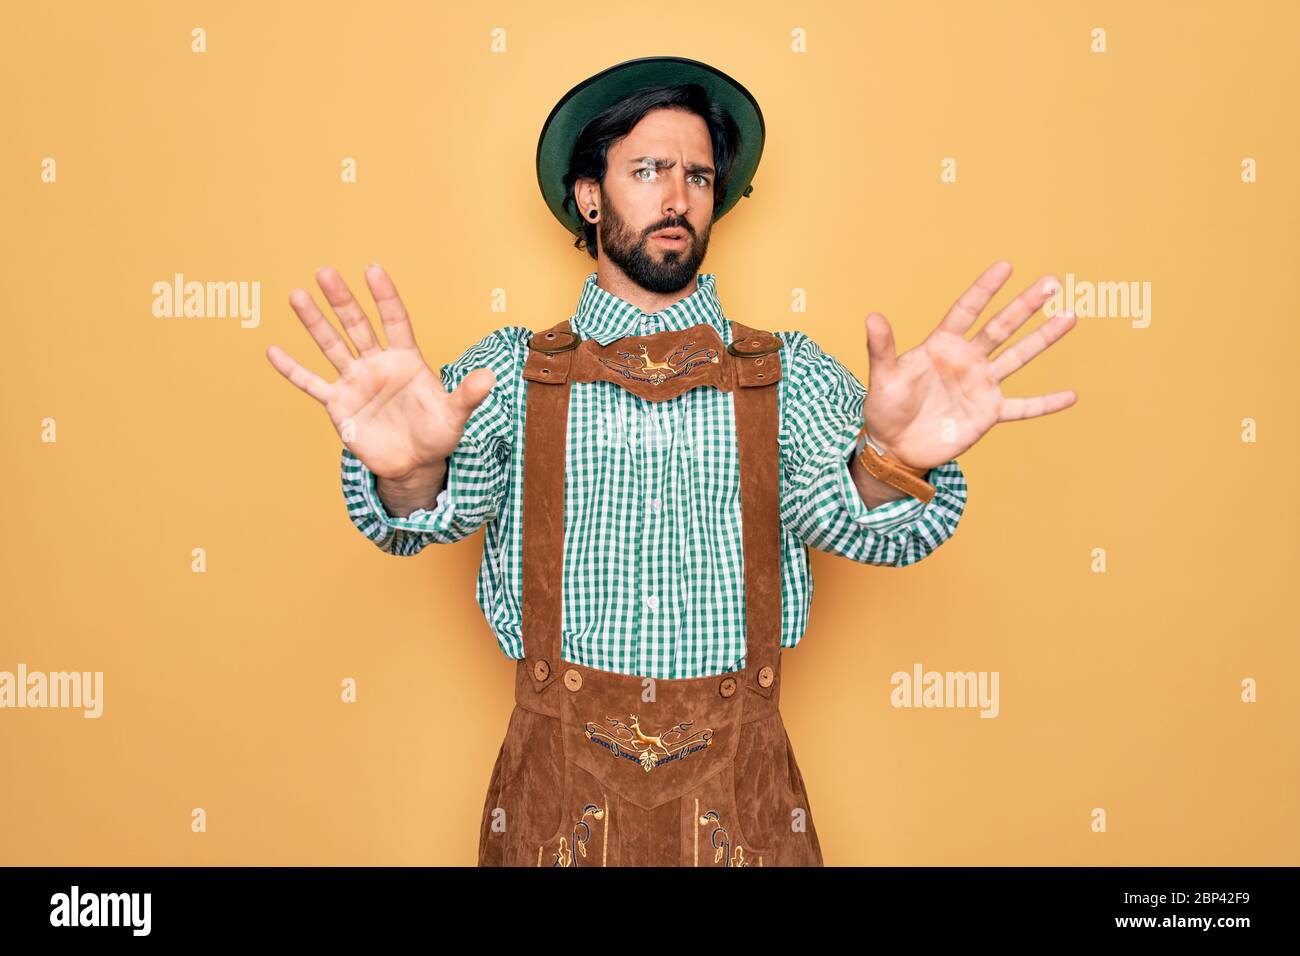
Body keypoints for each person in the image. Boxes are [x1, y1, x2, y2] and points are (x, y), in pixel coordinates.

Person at [266, 56, 1077, 867]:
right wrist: (408, 472)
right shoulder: (510, 372)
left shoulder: (788, 372)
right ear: (590, 195)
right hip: (550, 808)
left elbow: (855, 522)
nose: (677, 197)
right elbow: (424, 518)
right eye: (647, 169)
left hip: (743, 807)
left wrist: (889, 457)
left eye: (696, 174)